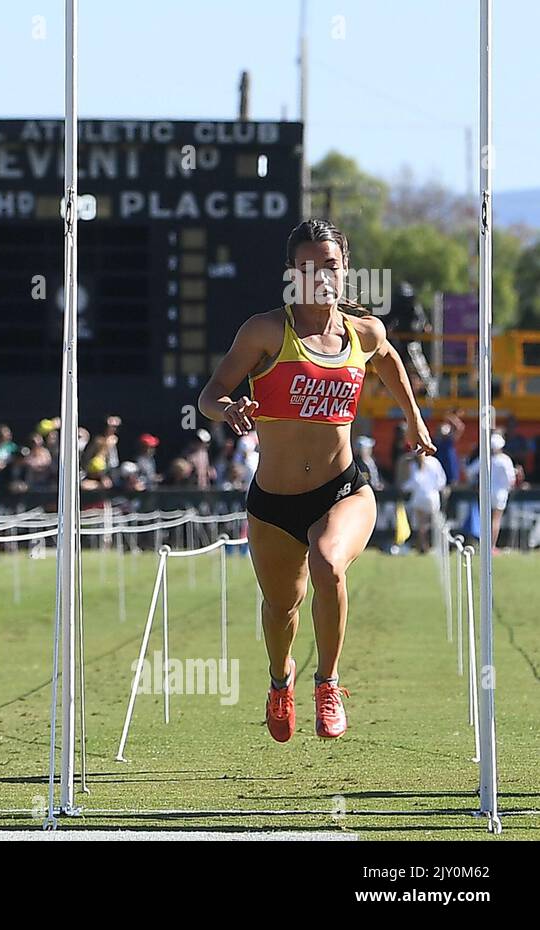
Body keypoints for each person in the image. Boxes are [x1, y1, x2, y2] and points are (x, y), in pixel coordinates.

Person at [198, 218, 434, 742]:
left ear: (345, 270)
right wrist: (229, 409)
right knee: (282, 607)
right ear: (291, 274)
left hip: (344, 490)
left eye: (329, 265)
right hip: (274, 502)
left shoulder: (363, 331)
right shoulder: (265, 331)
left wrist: (413, 419)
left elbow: (390, 361)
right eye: (307, 268)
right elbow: (209, 394)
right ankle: (281, 682)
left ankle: (328, 684)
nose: (320, 277)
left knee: (328, 562)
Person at [465, 432, 516, 551]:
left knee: (485, 519)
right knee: (496, 519)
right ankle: (492, 546)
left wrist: (475, 483)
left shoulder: (485, 459)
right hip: (500, 492)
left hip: (487, 492)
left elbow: (469, 471)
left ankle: (484, 544)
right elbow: (511, 479)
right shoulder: (505, 460)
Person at [401, 451, 447, 553]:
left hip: (422, 497)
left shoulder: (415, 464)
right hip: (431, 498)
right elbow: (441, 481)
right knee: (428, 524)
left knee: (423, 524)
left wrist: (403, 487)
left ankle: (424, 545)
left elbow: (412, 483)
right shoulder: (433, 462)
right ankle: (425, 545)